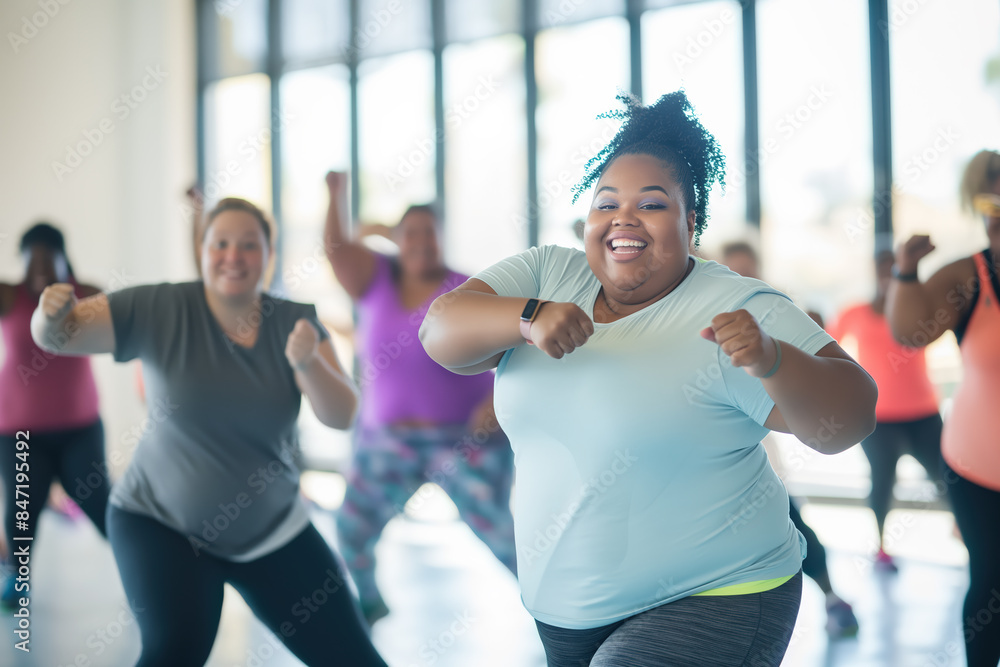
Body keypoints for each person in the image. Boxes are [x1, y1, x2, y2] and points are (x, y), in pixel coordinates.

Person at [419, 91, 877, 666]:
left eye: (652, 204)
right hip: (563, 611)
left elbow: (850, 419)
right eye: (605, 203)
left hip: (718, 593)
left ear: (692, 220)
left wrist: (773, 360)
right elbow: (440, 331)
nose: (623, 218)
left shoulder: (735, 303)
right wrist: (527, 317)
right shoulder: (545, 272)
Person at [30, 198, 386, 666]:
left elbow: (341, 415)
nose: (233, 256)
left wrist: (309, 363)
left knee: (355, 659)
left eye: (248, 245)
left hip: (273, 530)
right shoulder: (159, 306)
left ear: (268, 254)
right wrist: (47, 318)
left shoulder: (294, 321)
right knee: (173, 651)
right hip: (160, 522)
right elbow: (60, 336)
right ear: (202, 250)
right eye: (220, 243)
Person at [322, 171, 517, 624]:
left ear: (443, 237)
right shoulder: (375, 281)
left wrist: (496, 402)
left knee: (508, 541)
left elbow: (519, 346)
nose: (421, 242)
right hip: (387, 440)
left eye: (430, 233)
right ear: (397, 240)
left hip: (464, 441)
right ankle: (368, 605)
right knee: (351, 528)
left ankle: (564, 619)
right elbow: (336, 250)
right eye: (411, 233)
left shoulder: (469, 287)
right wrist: (335, 195)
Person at [886, 148, 1000, 667]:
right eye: (990, 200)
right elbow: (909, 333)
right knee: (991, 583)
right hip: (978, 467)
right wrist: (906, 271)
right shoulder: (967, 276)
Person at [720, 240, 860, 638]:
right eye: (734, 269)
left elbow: (818, 361)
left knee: (793, 528)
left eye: (749, 268)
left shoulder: (773, 312)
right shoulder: (706, 312)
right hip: (715, 454)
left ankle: (833, 598)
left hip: (760, 454)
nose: (742, 277)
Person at [0, 223, 110, 610]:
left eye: (49, 260)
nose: (41, 270)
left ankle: (146, 566)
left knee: (100, 503)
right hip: (18, 432)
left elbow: (125, 328)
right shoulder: (8, 296)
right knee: (21, 508)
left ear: (66, 259)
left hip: (80, 427)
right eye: (32, 262)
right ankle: (18, 577)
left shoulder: (88, 295)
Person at [829, 249, 945, 572]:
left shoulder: (914, 312)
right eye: (883, 271)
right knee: (882, 483)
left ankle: (964, 530)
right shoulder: (854, 313)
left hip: (924, 413)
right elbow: (824, 349)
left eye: (894, 270)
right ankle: (881, 547)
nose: (887, 277)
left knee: (948, 480)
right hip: (878, 419)